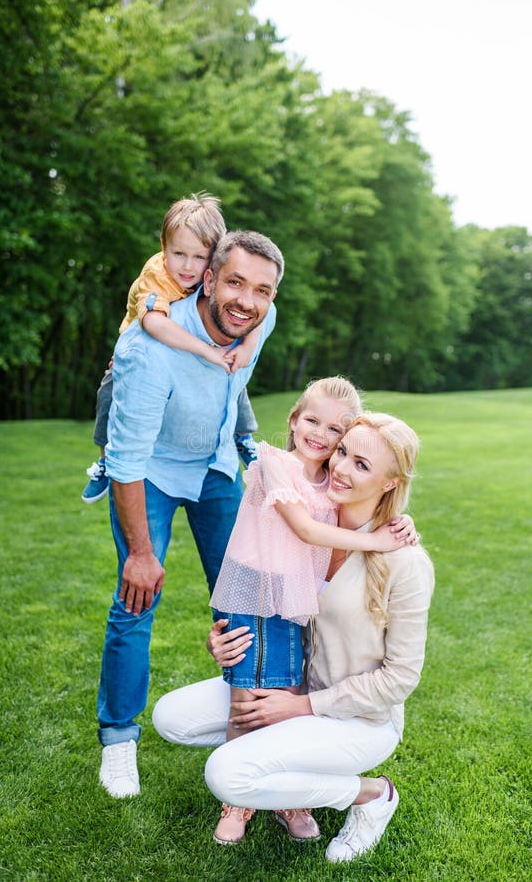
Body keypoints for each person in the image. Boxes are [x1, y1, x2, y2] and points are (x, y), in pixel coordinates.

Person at [152, 412, 435, 864]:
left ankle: (371, 795)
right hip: (290, 683)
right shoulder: (307, 529)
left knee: (227, 773)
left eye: (362, 465)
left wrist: (303, 707)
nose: (340, 468)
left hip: (358, 720)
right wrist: (223, 643)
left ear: (389, 483)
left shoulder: (405, 561)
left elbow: (400, 679)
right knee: (172, 718)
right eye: (342, 452)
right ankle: (286, 763)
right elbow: (266, 610)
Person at [97, 229, 283, 799]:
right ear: (207, 278)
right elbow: (125, 459)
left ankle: (252, 728)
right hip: (149, 470)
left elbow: (239, 364)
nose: (247, 302)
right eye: (234, 283)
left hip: (216, 466)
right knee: (136, 600)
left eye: (262, 291)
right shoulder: (147, 350)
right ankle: (118, 741)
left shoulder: (258, 320)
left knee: (248, 596)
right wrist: (143, 554)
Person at [207, 378, 416, 844]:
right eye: (311, 420)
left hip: (290, 605)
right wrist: (376, 540)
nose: (320, 435)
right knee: (245, 703)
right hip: (253, 598)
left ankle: (289, 797)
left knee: (290, 694)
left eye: (335, 432)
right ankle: (238, 801)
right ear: (293, 421)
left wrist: (397, 522)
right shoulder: (273, 463)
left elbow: (363, 506)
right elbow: (304, 530)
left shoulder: (329, 485)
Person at [82, 194, 261, 504]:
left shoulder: (222, 272)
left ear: (214, 257)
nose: (187, 266)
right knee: (110, 393)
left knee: (232, 372)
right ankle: (105, 460)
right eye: (178, 253)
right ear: (164, 248)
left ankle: (242, 438)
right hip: (147, 346)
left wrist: (247, 345)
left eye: (198, 256)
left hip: (197, 339)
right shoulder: (158, 275)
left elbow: (258, 305)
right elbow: (154, 325)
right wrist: (207, 350)